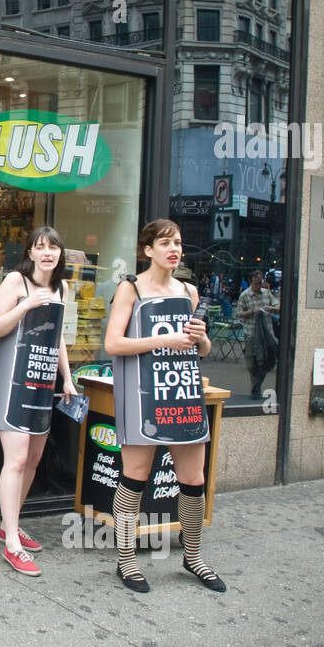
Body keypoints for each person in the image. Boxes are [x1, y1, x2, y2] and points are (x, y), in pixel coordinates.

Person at [104, 218, 225, 594]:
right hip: (144, 394)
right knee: (134, 475)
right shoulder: (131, 289)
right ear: (147, 250)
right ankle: (126, 560)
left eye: (178, 243)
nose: (174, 249)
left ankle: (193, 556)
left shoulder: (189, 291)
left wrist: (201, 340)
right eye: (165, 242)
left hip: (184, 392)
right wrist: (161, 342)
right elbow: (113, 344)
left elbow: (198, 350)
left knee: (194, 479)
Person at [0, 226, 78, 576]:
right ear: (31, 253)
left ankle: (9, 524)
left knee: (34, 458)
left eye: (53, 247)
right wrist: (25, 307)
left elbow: (59, 338)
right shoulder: (15, 282)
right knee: (17, 458)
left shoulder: (62, 287)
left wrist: (66, 377)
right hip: (11, 381)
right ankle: (12, 546)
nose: (47, 253)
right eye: (40, 247)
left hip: (42, 381)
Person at [237, 269, 280, 397]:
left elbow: (278, 308)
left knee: (269, 360)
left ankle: (256, 386)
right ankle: (255, 387)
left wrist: (270, 308)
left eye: (260, 283)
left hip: (267, 333)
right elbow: (239, 313)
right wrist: (252, 312)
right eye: (256, 283)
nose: (258, 286)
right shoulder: (245, 295)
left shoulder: (267, 294)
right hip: (251, 333)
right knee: (252, 363)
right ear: (250, 282)